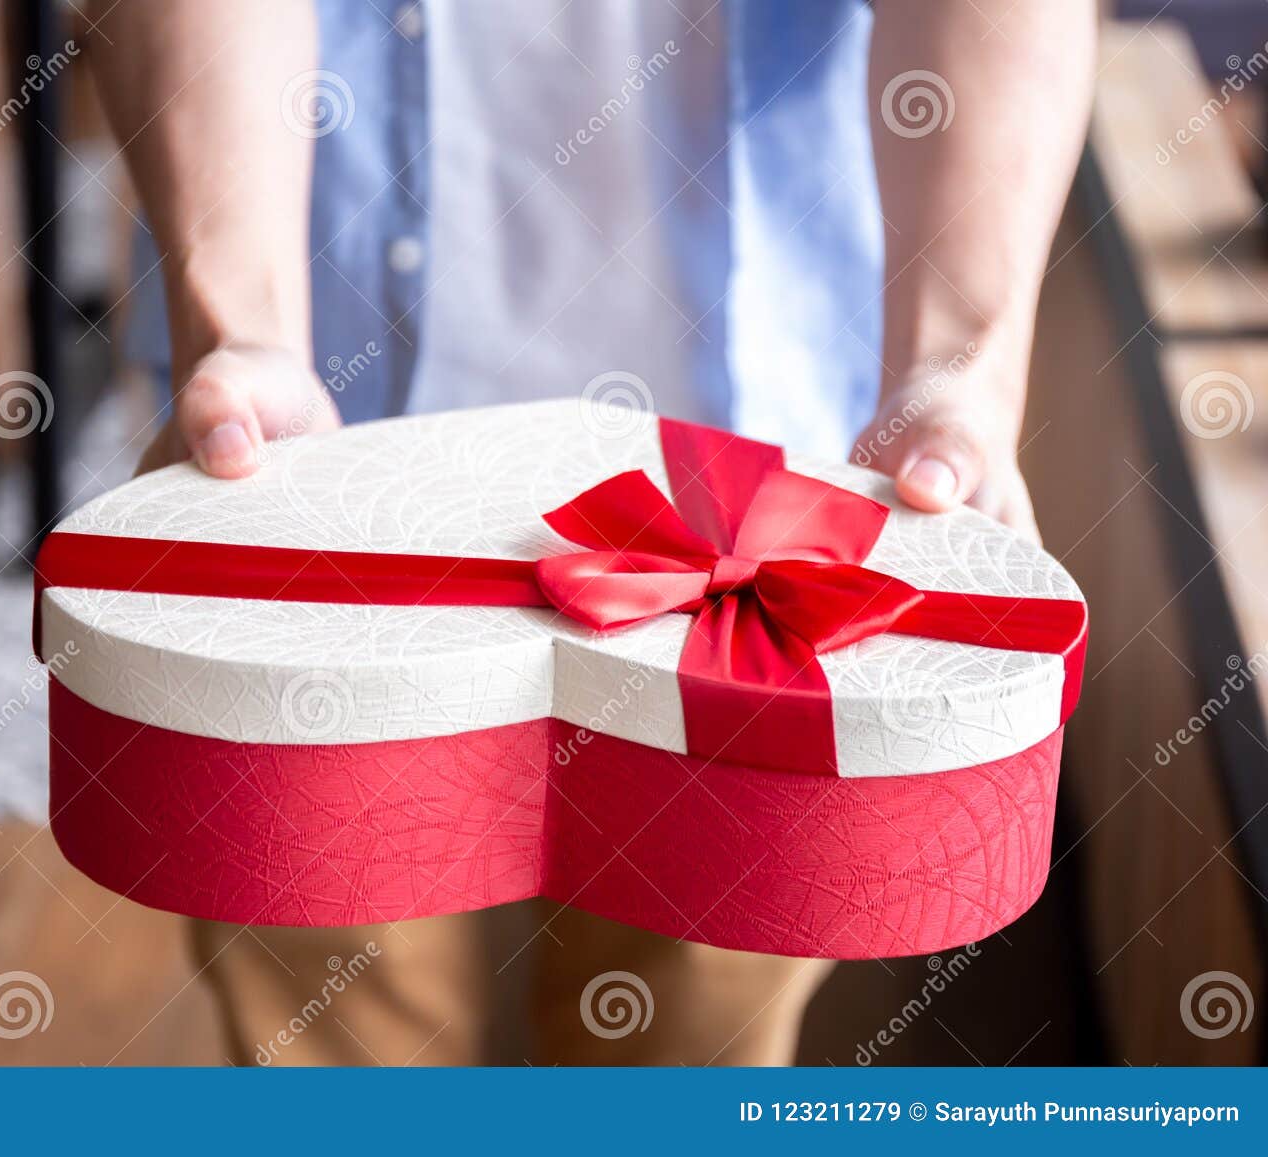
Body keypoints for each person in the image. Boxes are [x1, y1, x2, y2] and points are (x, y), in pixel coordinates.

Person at [87, 0, 1094, 1065]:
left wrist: (959, 366)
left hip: (767, 526)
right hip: (326, 481)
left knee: (693, 1046)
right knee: (333, 1023)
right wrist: (240, 329)